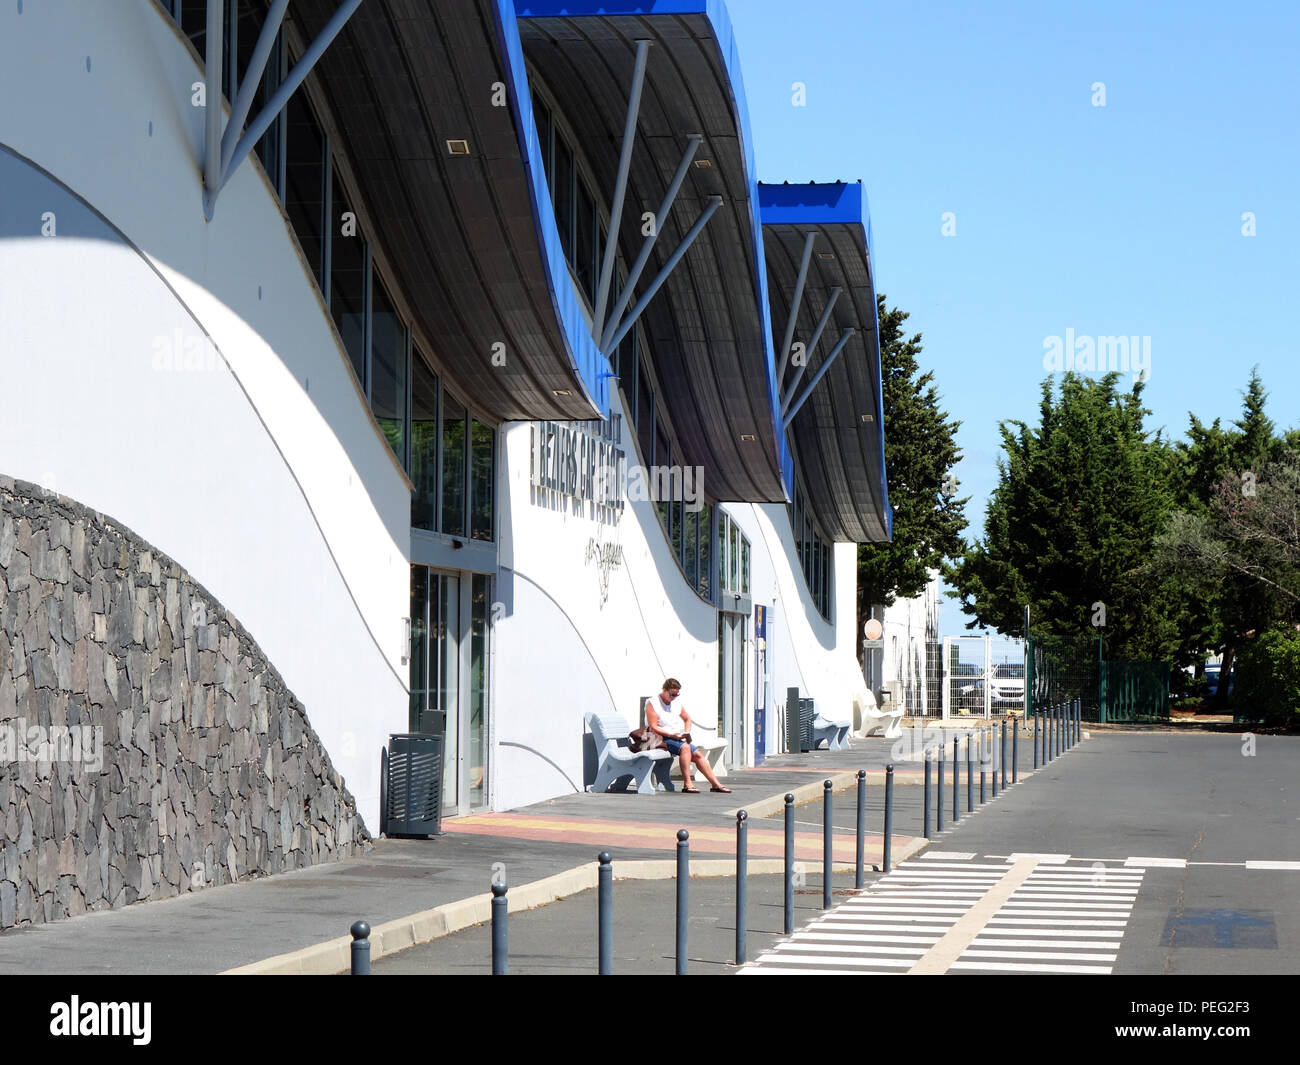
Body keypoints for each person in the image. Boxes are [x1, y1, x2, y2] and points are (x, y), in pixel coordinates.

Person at [644, 678, 730, 794]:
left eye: (676, 694)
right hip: (659, 738)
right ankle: (687, 783)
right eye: (671, 694)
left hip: (676, 737)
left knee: (698, 754)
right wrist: (671, 735)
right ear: (664, 690)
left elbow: (687, 718)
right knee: (685, 748)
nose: (673, 697)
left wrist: (686, 732)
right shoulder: (653, 703)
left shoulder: (676, 703)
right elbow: (653, 726)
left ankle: (716, 784)